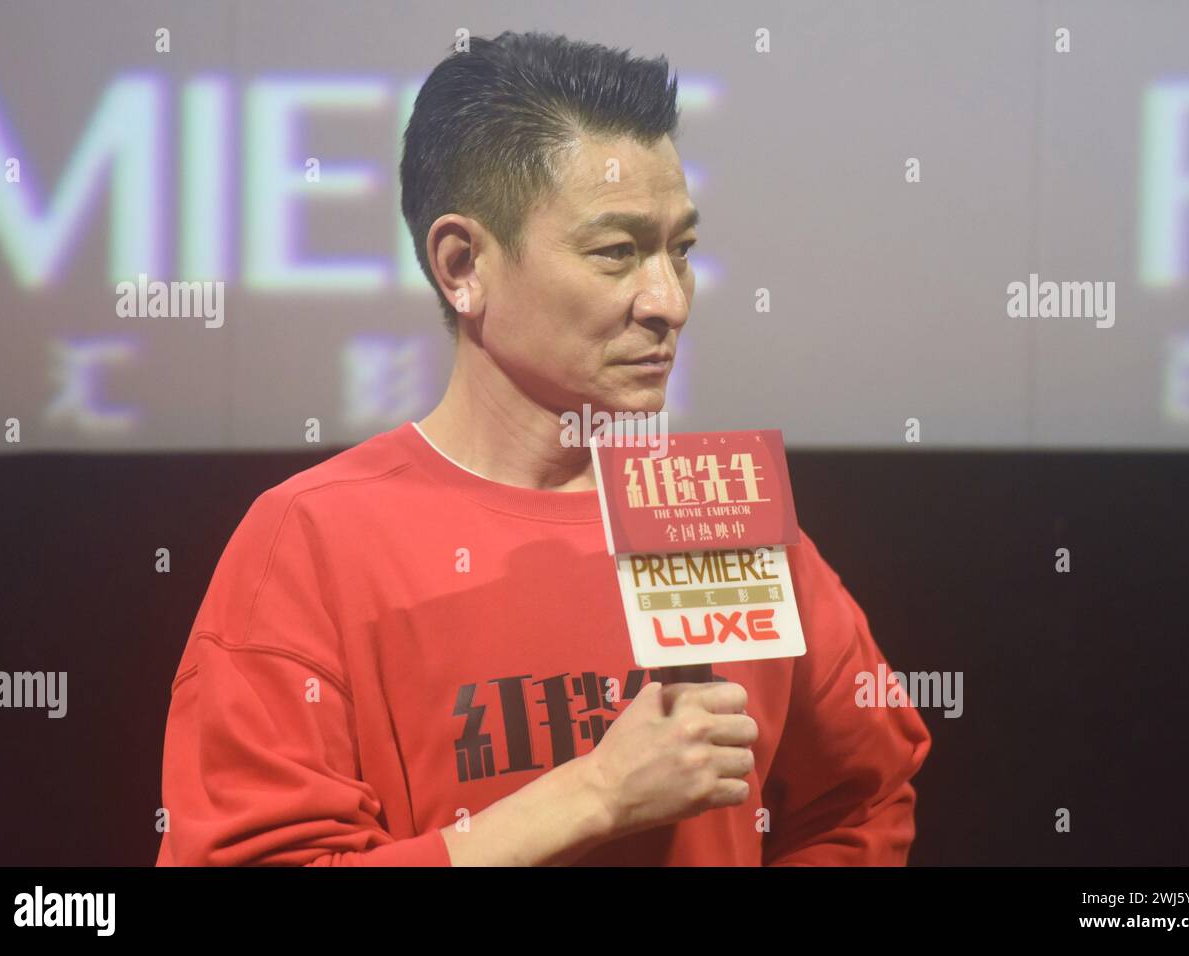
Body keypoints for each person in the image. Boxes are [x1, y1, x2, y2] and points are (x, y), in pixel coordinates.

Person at [155, 30, 931, 867]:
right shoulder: (313, 541)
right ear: (462, 266)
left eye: (682, 250)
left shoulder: (710, 511)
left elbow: (864, 797)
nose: (668, 301)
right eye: (617, 253)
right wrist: (592, 795)